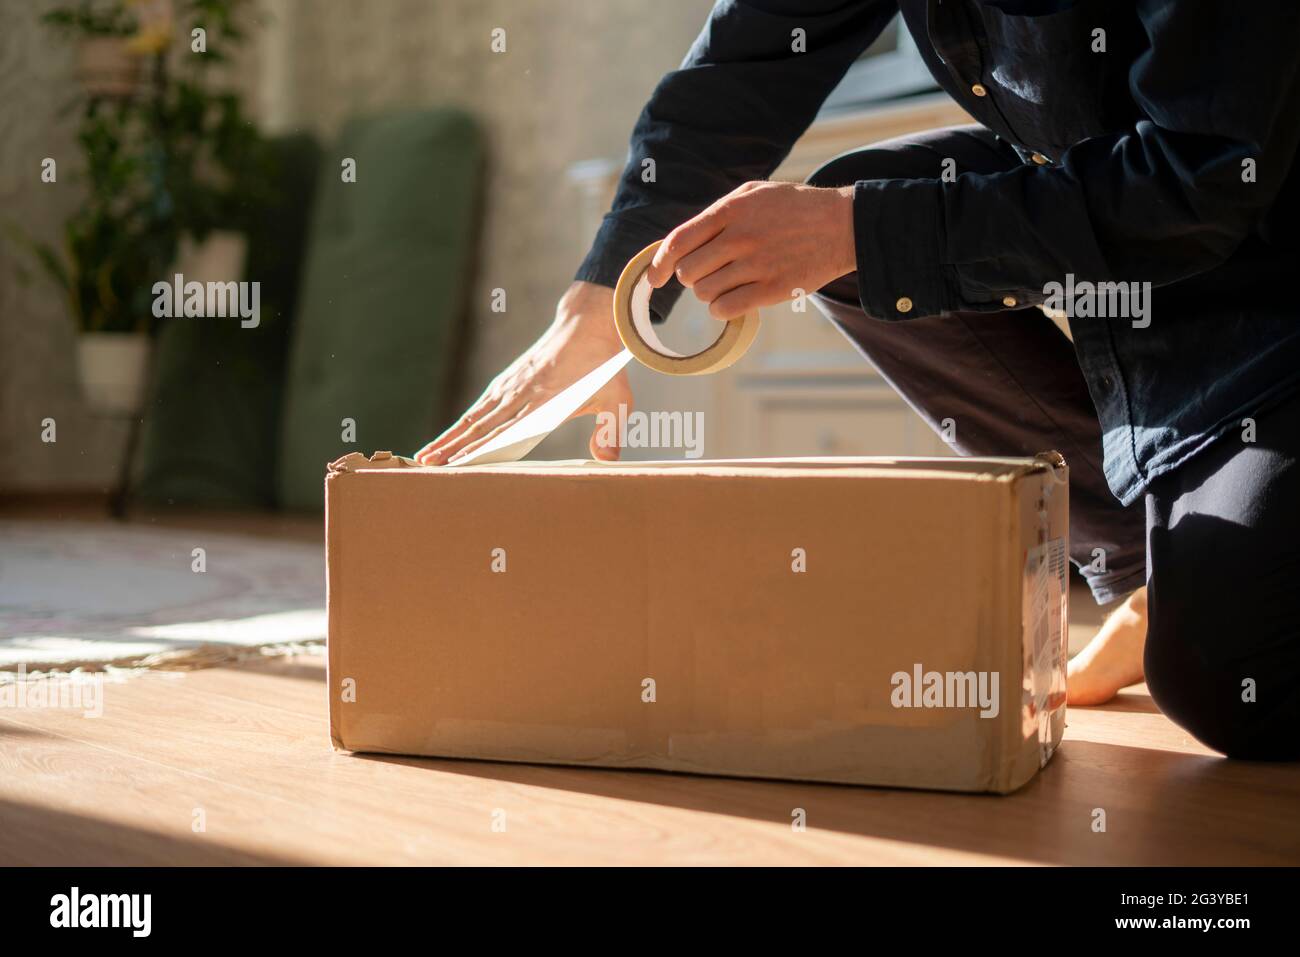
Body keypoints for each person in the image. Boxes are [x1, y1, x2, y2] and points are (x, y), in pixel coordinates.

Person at [417, 0, 1300, 760]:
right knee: (861, 211)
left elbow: (1205, 172)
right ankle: (1150, 560)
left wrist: (856, 232)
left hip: (1263, 281)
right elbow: (742, 69)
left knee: (1234, 675)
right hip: (1129, 242)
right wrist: (598, 301)